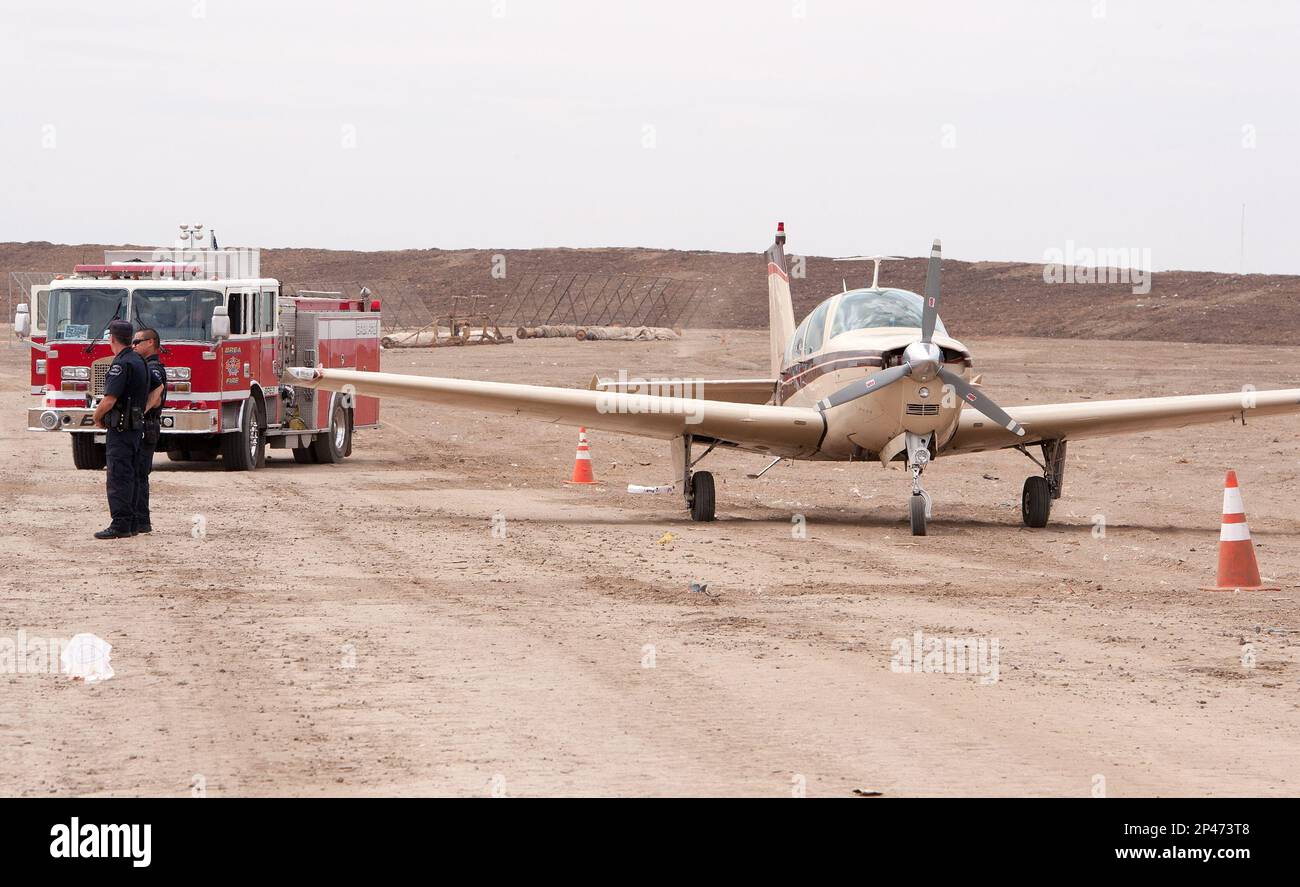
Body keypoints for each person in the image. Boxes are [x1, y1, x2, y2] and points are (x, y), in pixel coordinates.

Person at [91, 320, 148, 539]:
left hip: (122, 428)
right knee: (131, 474)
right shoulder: (139, 360)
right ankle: (132, 522)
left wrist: (97, 417)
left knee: (118, 476)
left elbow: (109, 399)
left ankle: (121, 524)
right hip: (134, 427)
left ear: (112, 339)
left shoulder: (121, 363)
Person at [131, 327, 167, 534]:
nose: (134, 345)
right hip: (145, 425)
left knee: (139, 474)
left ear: (151, 342)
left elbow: (156, 394)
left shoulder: (153, 368)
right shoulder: (145, 365)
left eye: (138, 342)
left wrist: (140, 414)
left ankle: (142, 520)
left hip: (147, 424)